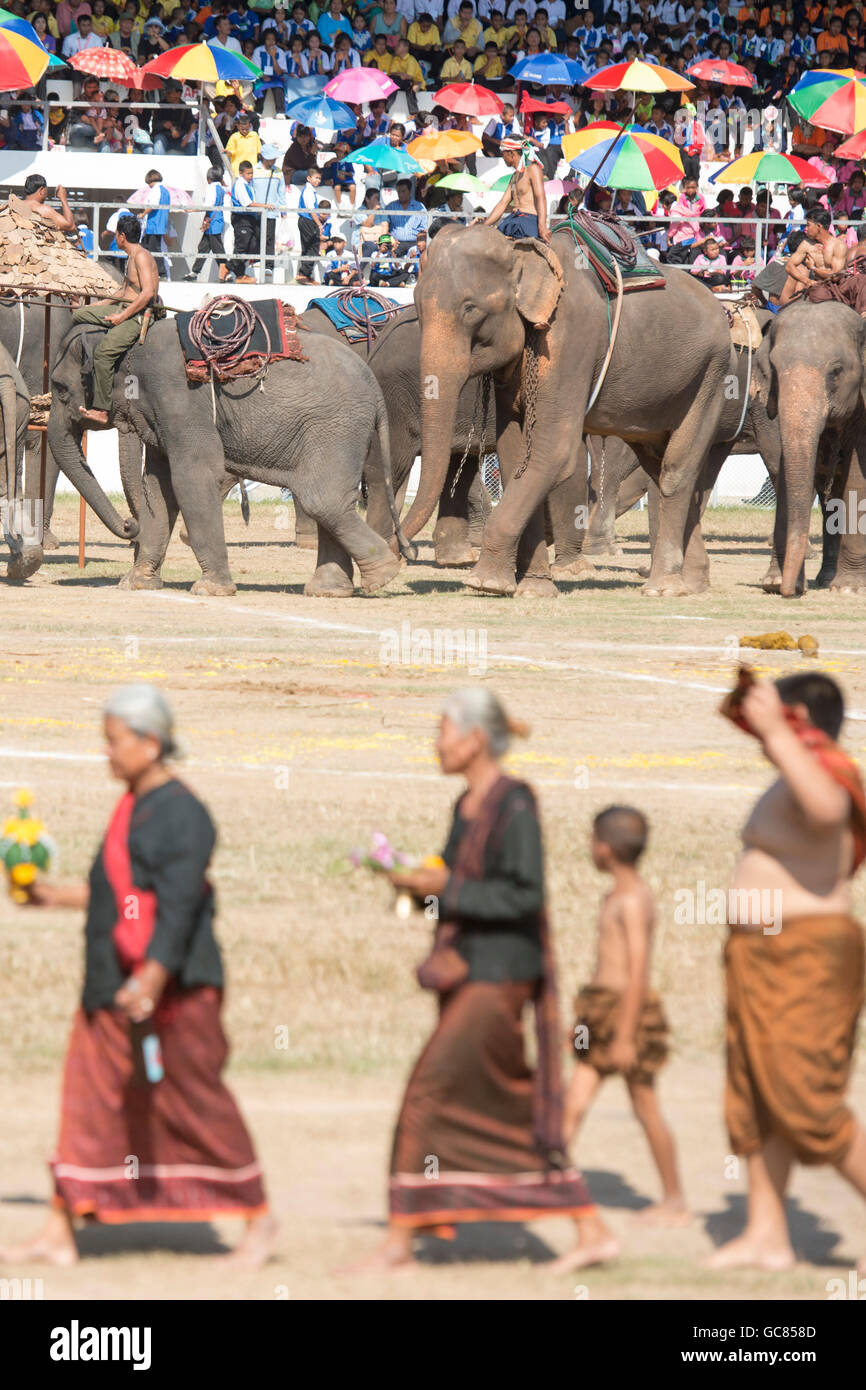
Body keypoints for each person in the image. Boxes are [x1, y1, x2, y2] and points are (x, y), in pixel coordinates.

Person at [0, 686, 276, 1270]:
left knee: (194, 1100)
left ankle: (258, 1217)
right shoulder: (134, 805)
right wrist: (51, 895)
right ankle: (59, 1228)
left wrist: (150, 979)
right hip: (111, 987)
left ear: (151, 744)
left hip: (173, 992)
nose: (107, 752)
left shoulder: (182, 812)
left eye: (115, 741)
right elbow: (120, 897)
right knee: (88, 1103)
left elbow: (175, 908)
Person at [362, 688, 617, 1271]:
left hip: (499, 975)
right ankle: (591, 1227)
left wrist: (441, 889)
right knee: (505, 1106)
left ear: (475, 738)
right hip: (469, 969)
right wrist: (413, 883)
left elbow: (524, 895)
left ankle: (401, 1239)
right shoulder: (466, 805)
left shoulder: (515, 804)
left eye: (443, 731)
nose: (437, 743)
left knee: (425, 1094)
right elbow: (454, 881)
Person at [709, 670, 866, 1271]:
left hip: (808, 954)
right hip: (759, 953)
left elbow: (827, 813)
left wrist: (778, 734)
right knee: (754, 1096)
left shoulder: (829, 770)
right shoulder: (794, 772)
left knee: (808, 1105)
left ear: (798, 716)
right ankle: (766, 1236)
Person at [565, 806, 689, 1227]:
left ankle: (674, 1200)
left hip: (628, 1018)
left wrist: (623, 1035)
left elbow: (637, 972)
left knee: (645, 1106)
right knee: (572, 1104)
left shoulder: (634, 900)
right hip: (600, 1012)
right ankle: (552, 1188)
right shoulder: (614, 896)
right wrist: (582, 1027)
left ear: (605, 848)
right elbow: (603, 972)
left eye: (592, 840)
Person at [72, 216, 160, 427]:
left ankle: (102, 409)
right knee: (78, 315)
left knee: (103, 354)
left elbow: (147, 293)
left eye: (116, 234)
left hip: (138, 315)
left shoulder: (141, 256)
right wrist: (96, 305)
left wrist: (122, 316)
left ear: (121, 236)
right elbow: (124, 291)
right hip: (122, 307)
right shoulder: (131, 257)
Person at [482, 136, 549, 242]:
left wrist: (542, 227)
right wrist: (482, 227)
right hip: (513, 219)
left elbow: (541, 198)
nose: (502, 157)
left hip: (528, 221)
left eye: (503, 153)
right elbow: (502, 203)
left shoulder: (533, 169)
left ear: (511, 154)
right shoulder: (514, 176)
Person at [779, 205, 848, 307]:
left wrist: (813, 268)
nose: (805, 229)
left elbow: (835, 276)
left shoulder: (839, 246)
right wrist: (807, 281)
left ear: (819, 226)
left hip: (836, 287)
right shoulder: (806, 244)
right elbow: (789, 266)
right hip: (816, 287)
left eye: (808, 225)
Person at [184, 167, 230, 282]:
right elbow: (228, 188)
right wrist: (222, 180)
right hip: (216, 222)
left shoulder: (211, 188)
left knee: (217, 249)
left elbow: (208, 205)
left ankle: (227, 271)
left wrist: (192, 210)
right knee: (203, 247)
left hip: (212, 224)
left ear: (209, 178)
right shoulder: (220, 188)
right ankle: (195, 271)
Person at [296, 165, 325, 284]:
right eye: (315, 178)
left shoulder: (311, 190)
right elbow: (311, 210)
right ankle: (303, 274)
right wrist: (319, 224)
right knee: (312, 247)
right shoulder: (308, 191)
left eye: (319, 178)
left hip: (309, 221)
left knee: (310, 246)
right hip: (307, 221)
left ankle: (306, 274)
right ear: (309, 178)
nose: (317, 180)